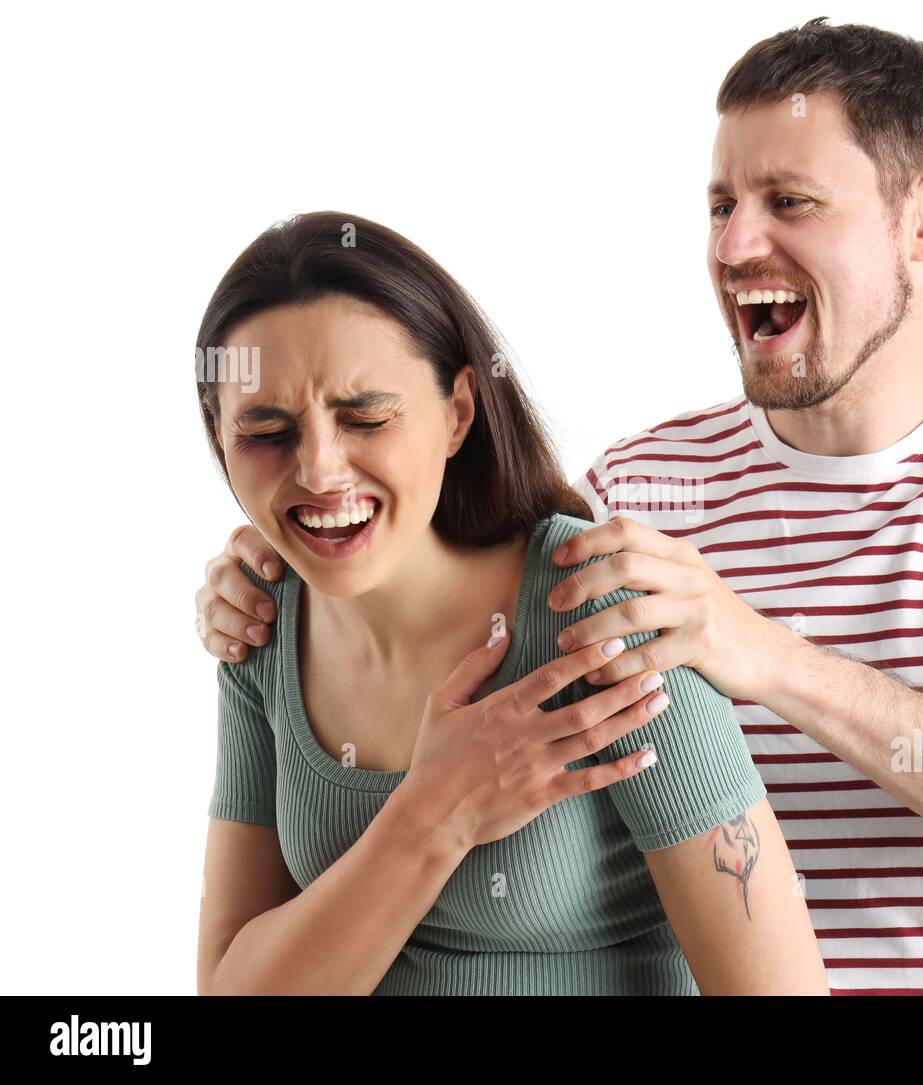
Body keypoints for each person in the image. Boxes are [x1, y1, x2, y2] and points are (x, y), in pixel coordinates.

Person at [196, 20, 923, 995]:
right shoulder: (638, 489)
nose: (734, 244)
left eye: (788, 201)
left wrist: (770, 658)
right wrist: (280, 557)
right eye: (720, 205)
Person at [193, 210, 828, 996]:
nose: (320, 471)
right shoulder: (260, 624)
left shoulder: (605, 610)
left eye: (366, 417)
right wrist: (437, 812)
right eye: (266, 431)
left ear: (457, 412)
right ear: (219, 437)